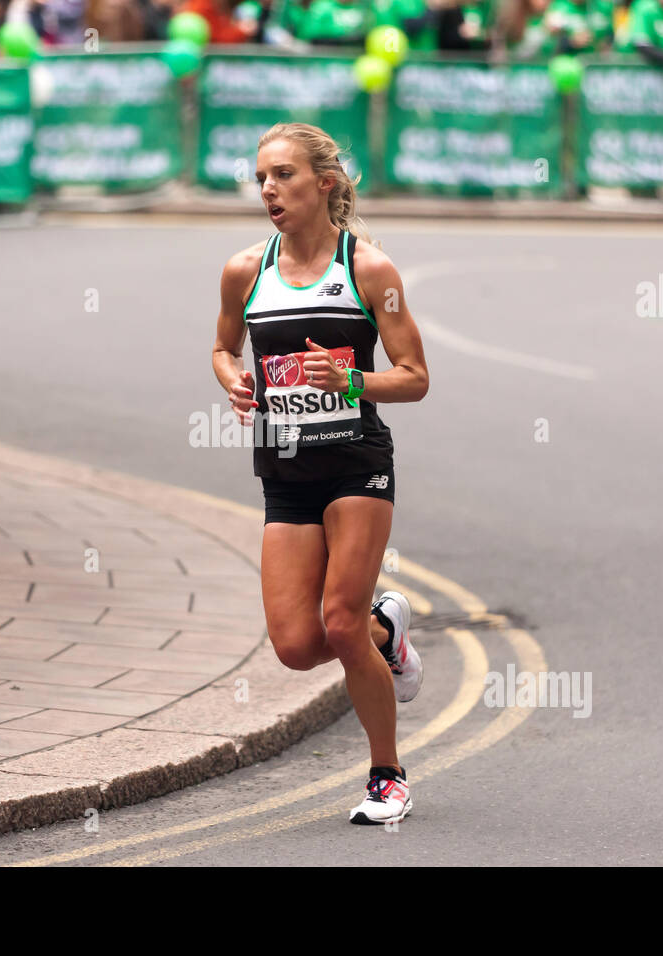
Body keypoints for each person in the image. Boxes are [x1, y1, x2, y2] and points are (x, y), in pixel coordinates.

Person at [211, 123, 430, 824]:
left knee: (337, 623)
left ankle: (387, 776)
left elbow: (416, 377)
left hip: (355, 464)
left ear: (325, 183)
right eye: (262, 178)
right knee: (296, 646)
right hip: (284, 470)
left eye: (284, 175)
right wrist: (233, 380)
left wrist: (350, 379)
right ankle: (386, 633)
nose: (269, 190)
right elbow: (221, 347)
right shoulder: (246, 269)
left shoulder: (368, 270)